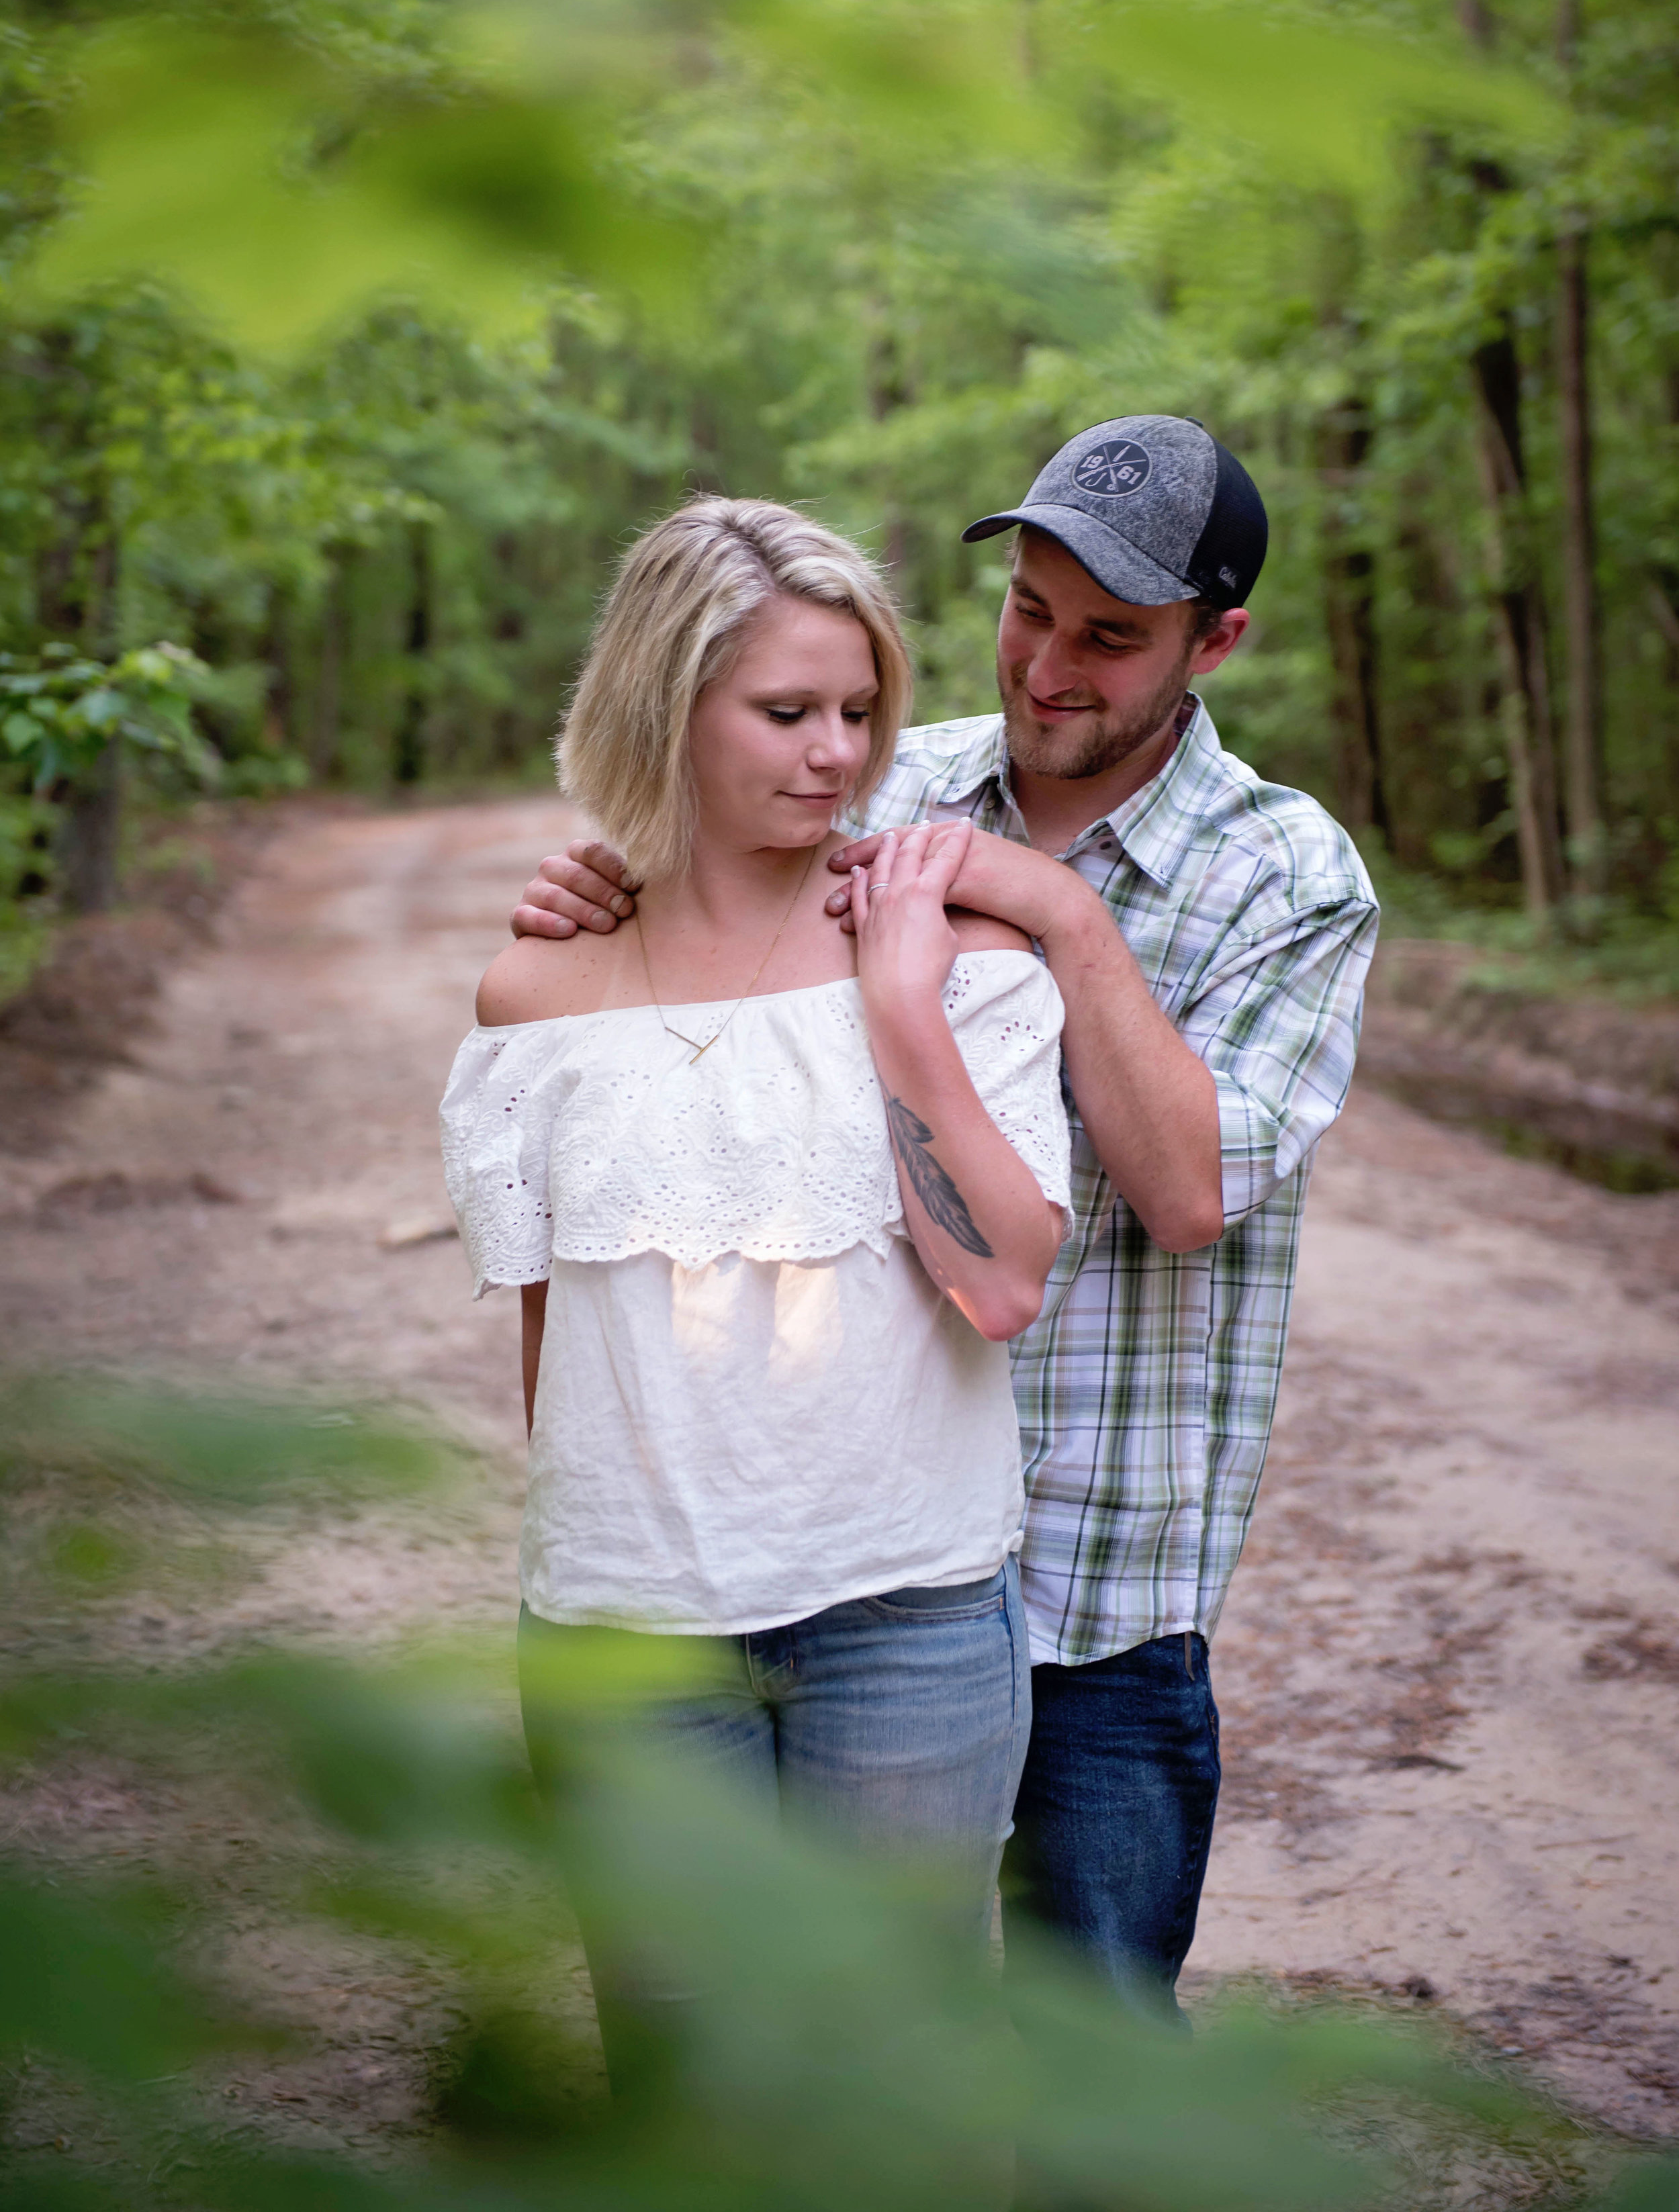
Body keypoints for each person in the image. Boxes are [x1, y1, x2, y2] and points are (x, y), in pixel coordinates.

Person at [508, 416, 1380, 2021]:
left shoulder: (1285, 874)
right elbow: (692, 956)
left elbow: (1187, 1190)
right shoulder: (879, 773)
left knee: (1085, 2051)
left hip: (1103, 1579)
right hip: (838, 1553)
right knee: (805, 2034)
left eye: (1108, 638)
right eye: (1026, 610)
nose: (1048, 665)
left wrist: (1046, 905)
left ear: (1217, 641)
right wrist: (607, 895)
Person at [439, 497, 1071, 2068]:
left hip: (906, 1618)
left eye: (859, 711)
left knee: (894, 2087)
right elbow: (556, 1343)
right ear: (665, 706)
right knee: (680, 2091)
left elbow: (999, 1286)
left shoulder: (963, 953)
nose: (837, 752)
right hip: (624, 1634)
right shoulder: (535, 994)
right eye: (786, 711)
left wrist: (902, 1008)